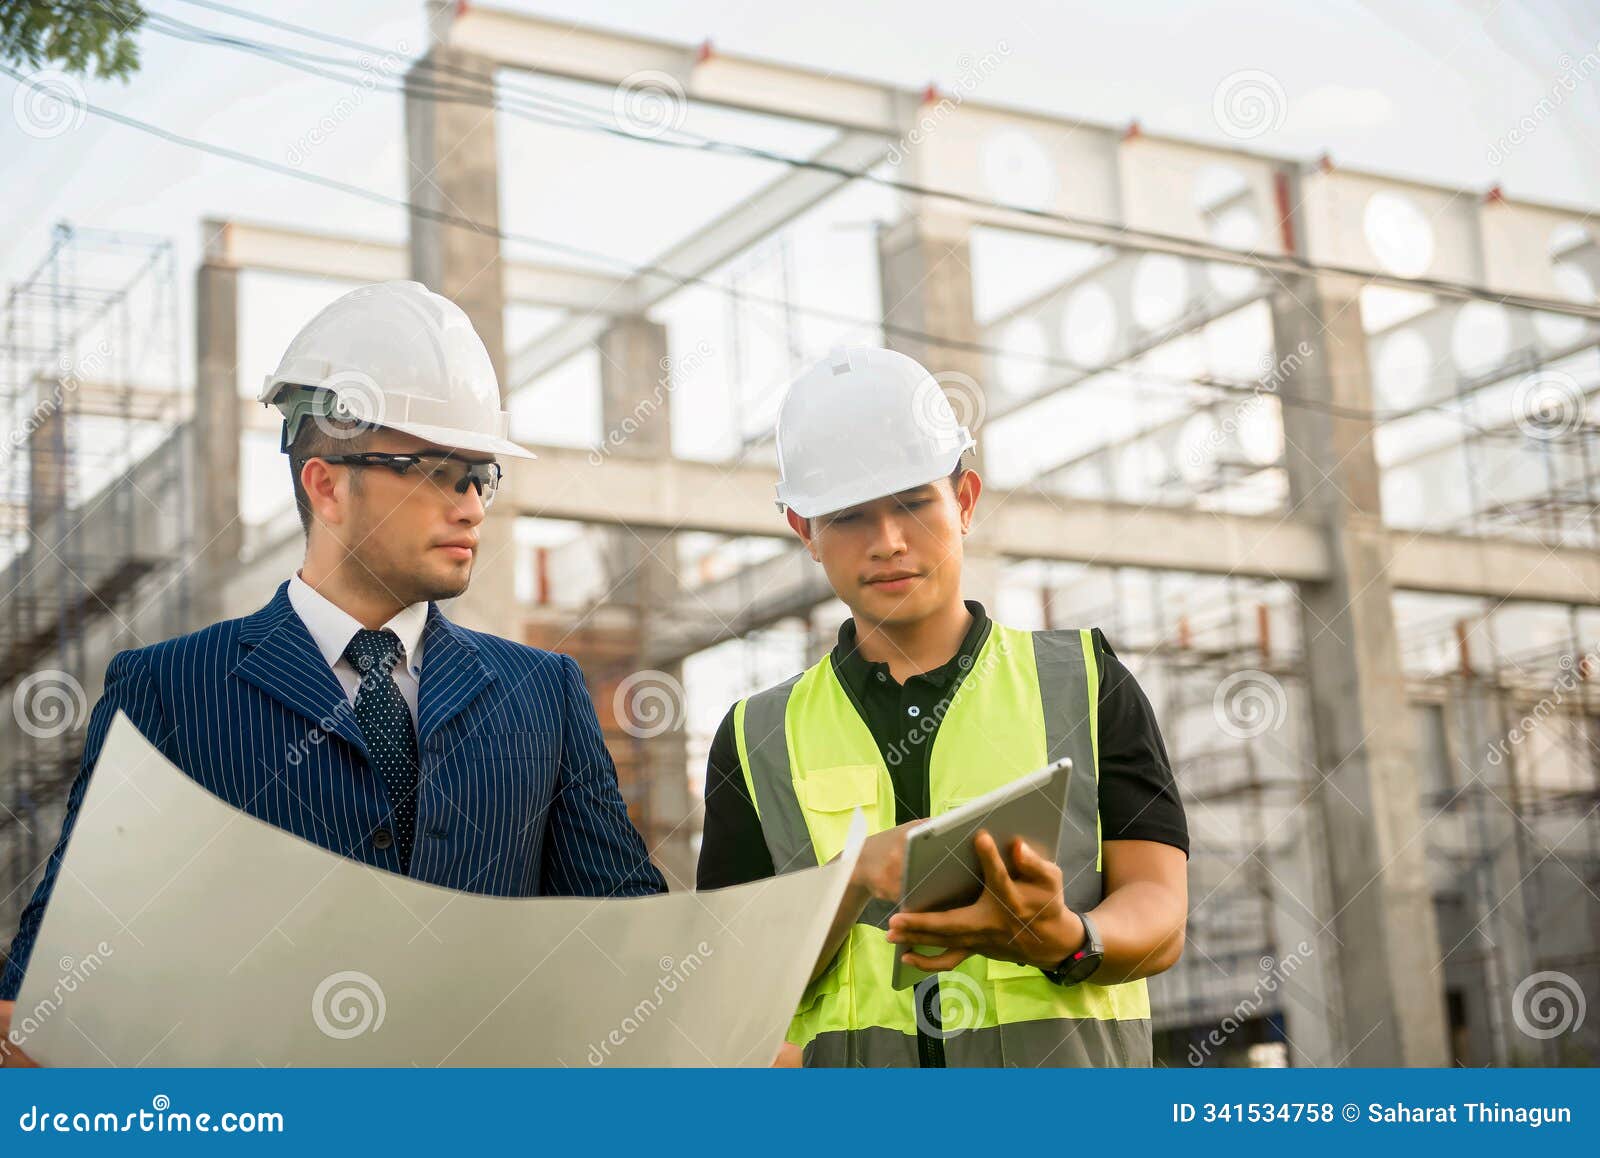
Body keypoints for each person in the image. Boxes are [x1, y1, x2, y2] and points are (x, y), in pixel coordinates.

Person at [0, 281, 665, 1066]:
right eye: (434, 470)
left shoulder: (542, 695)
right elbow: (55, 989)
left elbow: (636, 953)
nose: (471, 507)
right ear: (325, 483)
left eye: (478, 475)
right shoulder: (171, 691)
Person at [697, 345, 1188, 1067]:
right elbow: (729, 982)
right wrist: (855, 877)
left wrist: (1066, 938)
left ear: (963, 501)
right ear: (805, 531)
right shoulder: (755, 738)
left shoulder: (1086, 681)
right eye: (850, 516)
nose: (889, 542)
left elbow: (1161, 911)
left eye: (913, 503)